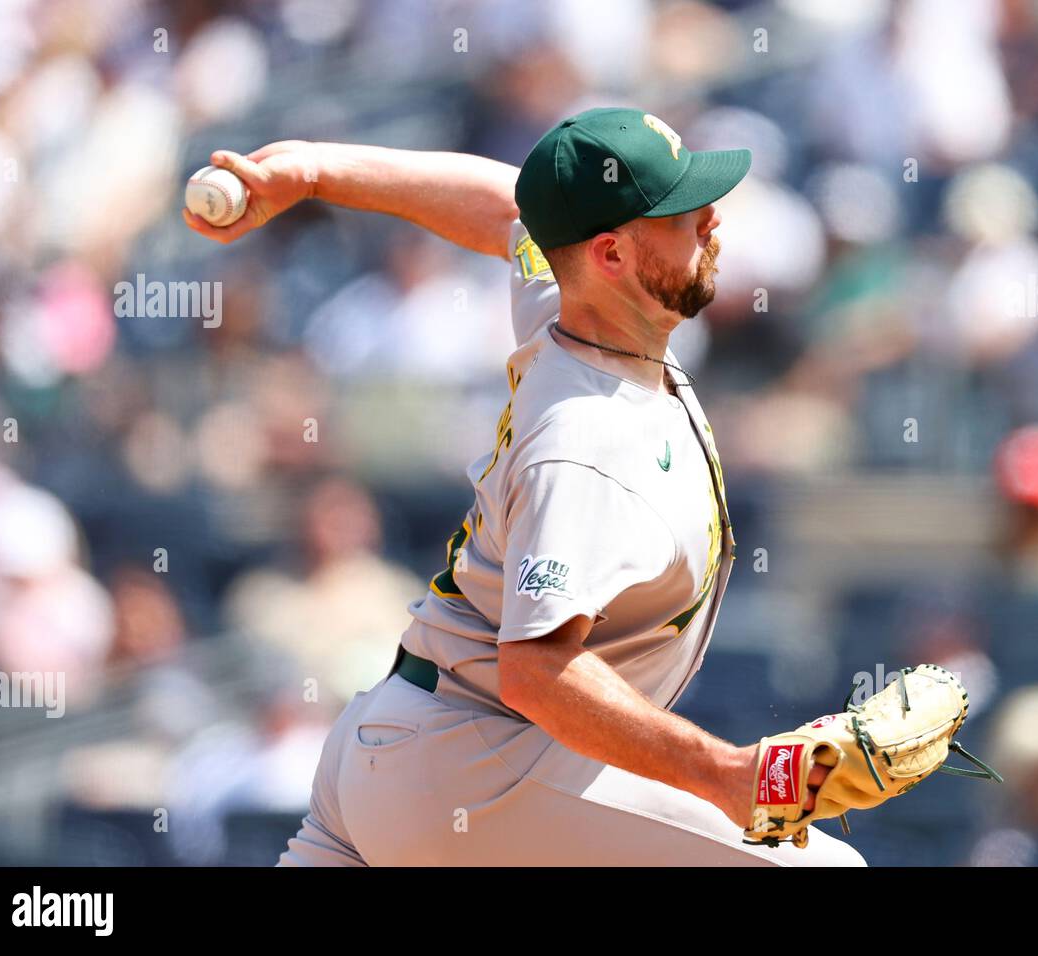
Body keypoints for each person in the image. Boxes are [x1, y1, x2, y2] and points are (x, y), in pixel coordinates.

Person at [186, 107, 864, 866]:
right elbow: (538, 673)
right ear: (611, 254)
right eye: (678, 213)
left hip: (404, 746)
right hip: (477, 769)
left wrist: (313, 170)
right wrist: (726, 774)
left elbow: (508, 206)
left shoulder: (572, 305)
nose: (710, 221)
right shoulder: (583, 445)